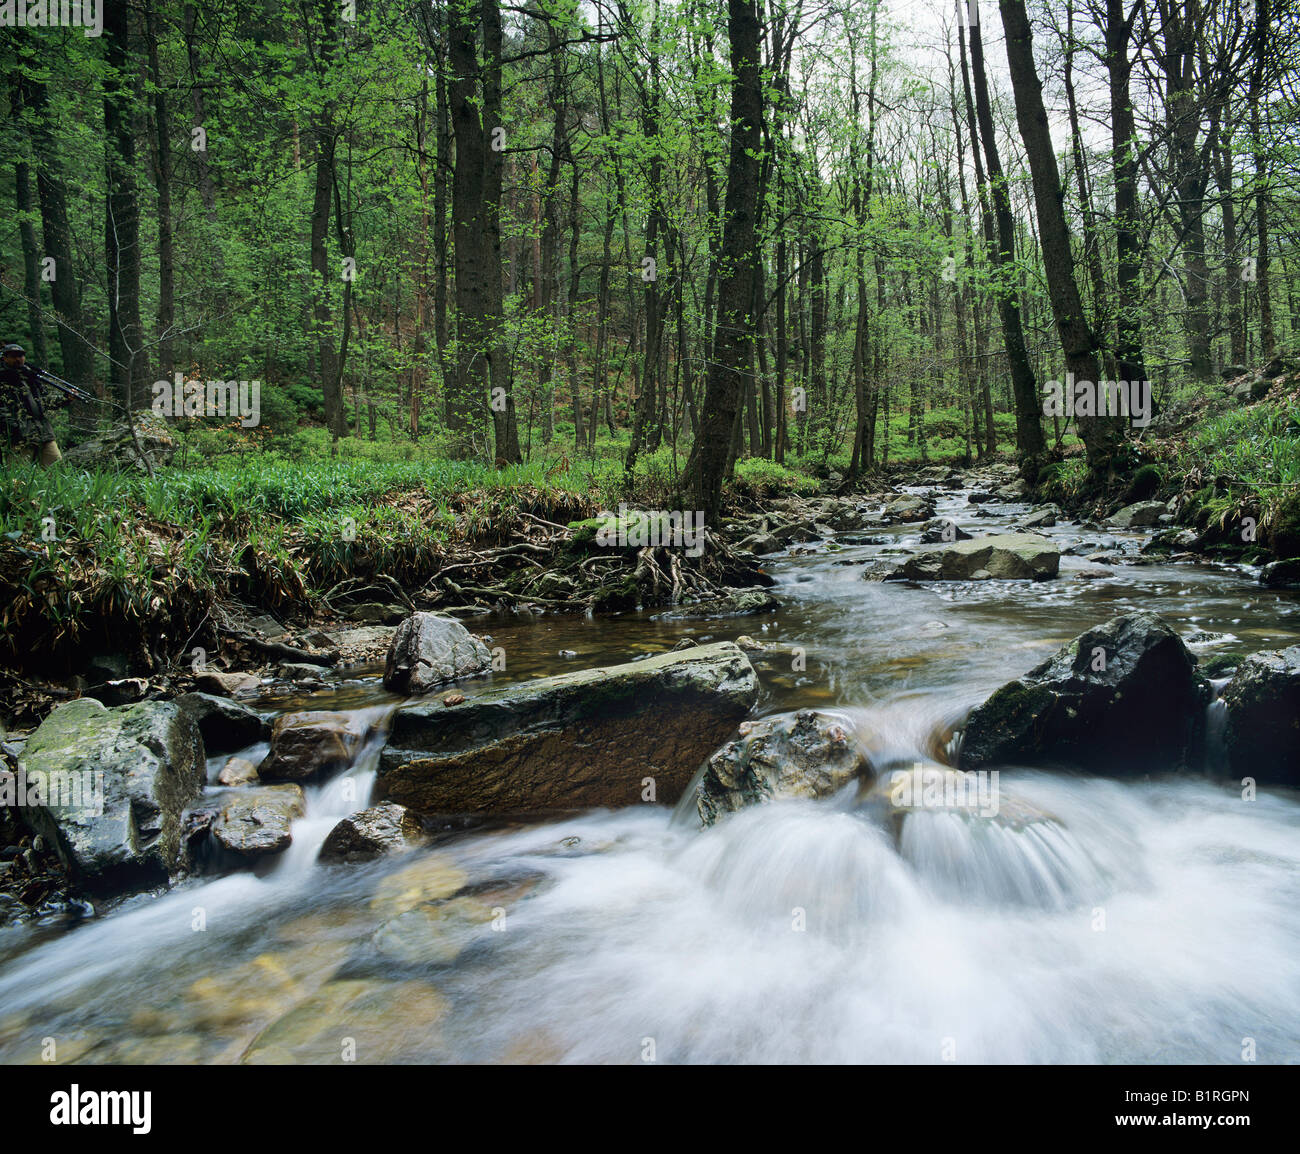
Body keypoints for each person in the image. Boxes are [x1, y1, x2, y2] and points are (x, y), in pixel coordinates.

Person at [0, 343, 63, 466]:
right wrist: (14, 427)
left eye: (21, 356)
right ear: (5, 358)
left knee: (56, 468)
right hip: (18, 437)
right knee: (18, 475)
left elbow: (45, 401)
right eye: (14, 356)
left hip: (43, 432)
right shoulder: (3, 379)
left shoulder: (30, 376)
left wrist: (66, 399)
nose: (18, 359)